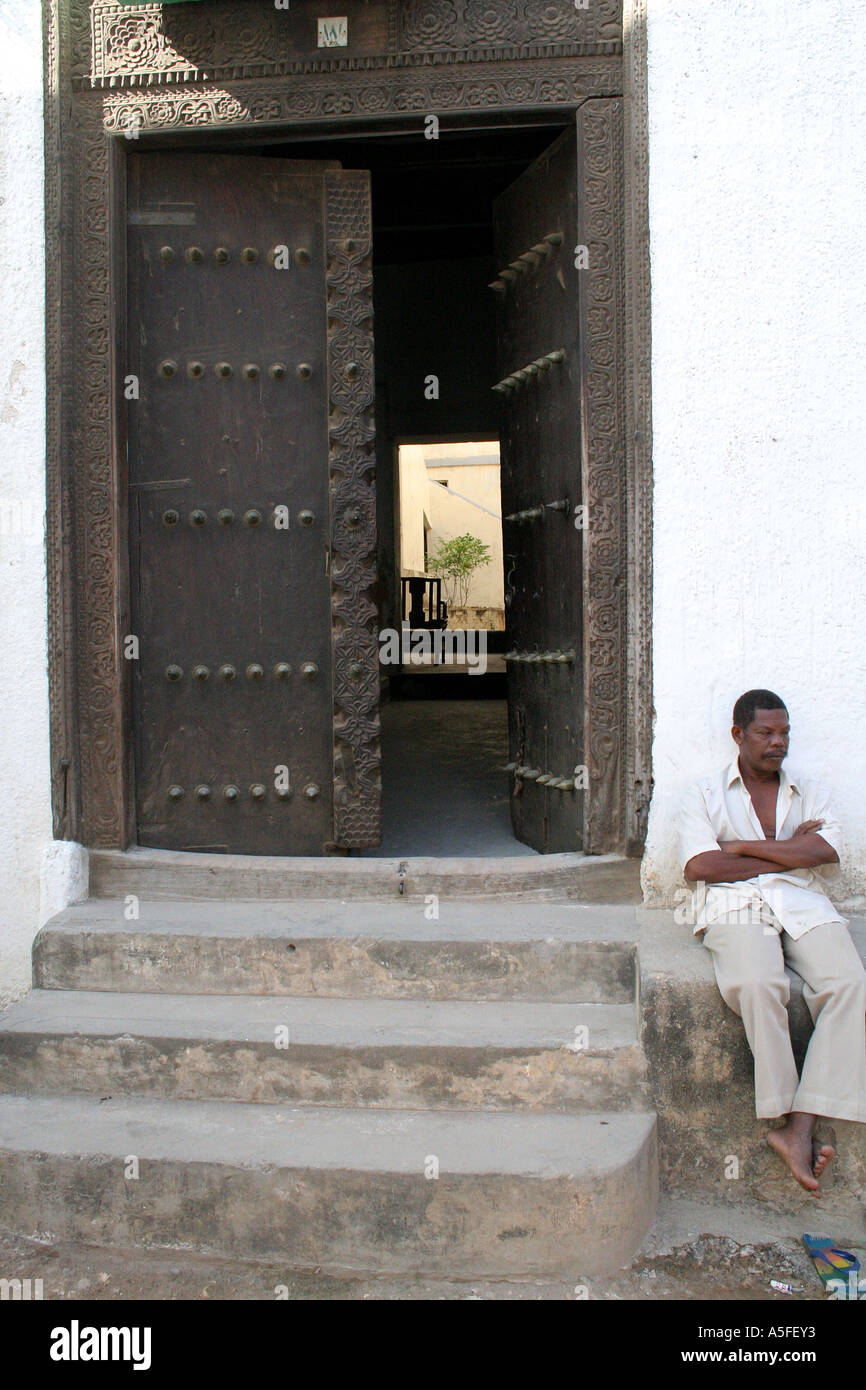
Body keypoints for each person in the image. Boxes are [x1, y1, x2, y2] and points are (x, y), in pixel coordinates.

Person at [678, 689, 866, 1192]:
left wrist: (738, 847)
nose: (777, 742)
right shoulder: (704, 792)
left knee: (850, 983)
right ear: (738, 735)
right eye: (765, 733)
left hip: (802, 902)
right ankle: (784, 1115)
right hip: (732, 907)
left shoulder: (810, 789)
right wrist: (787, 851)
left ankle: (799, 1125)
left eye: (784, 733)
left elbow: (824, 851)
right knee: (758, 983)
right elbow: (700, 866)